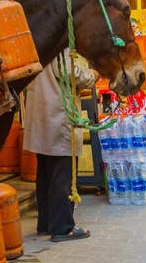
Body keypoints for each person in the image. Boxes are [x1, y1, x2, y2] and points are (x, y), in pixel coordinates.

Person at [23, 50, 97, 242]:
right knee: (62, 174)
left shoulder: (35, 41)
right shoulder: (59, 42)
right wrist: (91, 75)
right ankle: (62, 228)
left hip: (41, 114)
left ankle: (47, 223)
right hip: (56, 114)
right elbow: (69, 72)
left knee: (46, 174)